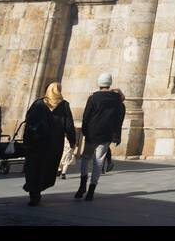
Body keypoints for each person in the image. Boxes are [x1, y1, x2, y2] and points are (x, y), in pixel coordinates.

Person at [22, 82, 76, 206]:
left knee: (34, 166)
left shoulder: (38, 104)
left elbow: (29, 121)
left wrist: (26, 140)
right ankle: (38, 190)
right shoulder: (64, 105)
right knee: (47, 166)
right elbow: (69, 125)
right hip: (53, 143)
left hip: (36, 142)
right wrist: (72, 140)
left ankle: (33, 192)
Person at [76, 73, 125, 202]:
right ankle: (91, 190)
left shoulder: (93, 98)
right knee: (99, 161)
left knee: (85, 158)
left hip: (92, 133)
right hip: (106, 134)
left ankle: (82, 186)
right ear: (110, 83)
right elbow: (119, 118)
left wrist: (85, 131)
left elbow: (86, 116)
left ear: (99, 83)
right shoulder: (117, 99)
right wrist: (116, 135)